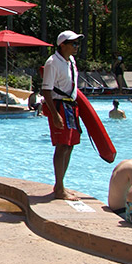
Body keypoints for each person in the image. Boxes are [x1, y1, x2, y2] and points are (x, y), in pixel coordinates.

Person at [41, 30, 84, 200]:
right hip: (59, 106)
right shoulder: (52, 63)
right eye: (73, 43)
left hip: (70, 106)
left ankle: (60, 185)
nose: (76, 47)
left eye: (77, 43)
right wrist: (55, 114)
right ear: (62, 45)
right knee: (61, 146)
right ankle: (59, 188)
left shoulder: (71, 61)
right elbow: (46, 90)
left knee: (69, 145)